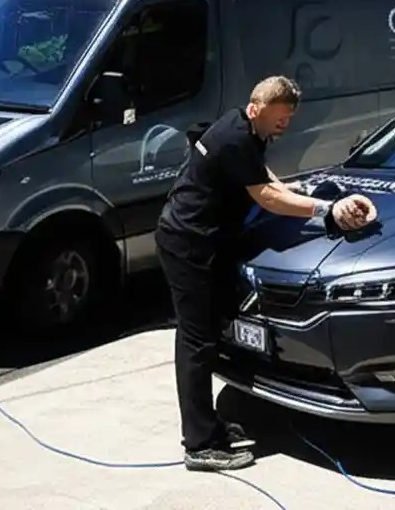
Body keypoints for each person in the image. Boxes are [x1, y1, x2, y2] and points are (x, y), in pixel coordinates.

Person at [155, 75, 375, 471]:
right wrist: (325, 210)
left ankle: (209, 425)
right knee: (196, 341)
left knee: (210, 333)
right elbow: (267, 197)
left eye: (288, 118)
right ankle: (199, 444)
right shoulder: (235, 137)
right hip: (187, 243)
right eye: (279, 118)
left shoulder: (244, 128)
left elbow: (263, 175)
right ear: (256, 108)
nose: (284, 124)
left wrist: (301, 192)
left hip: (205, 241)